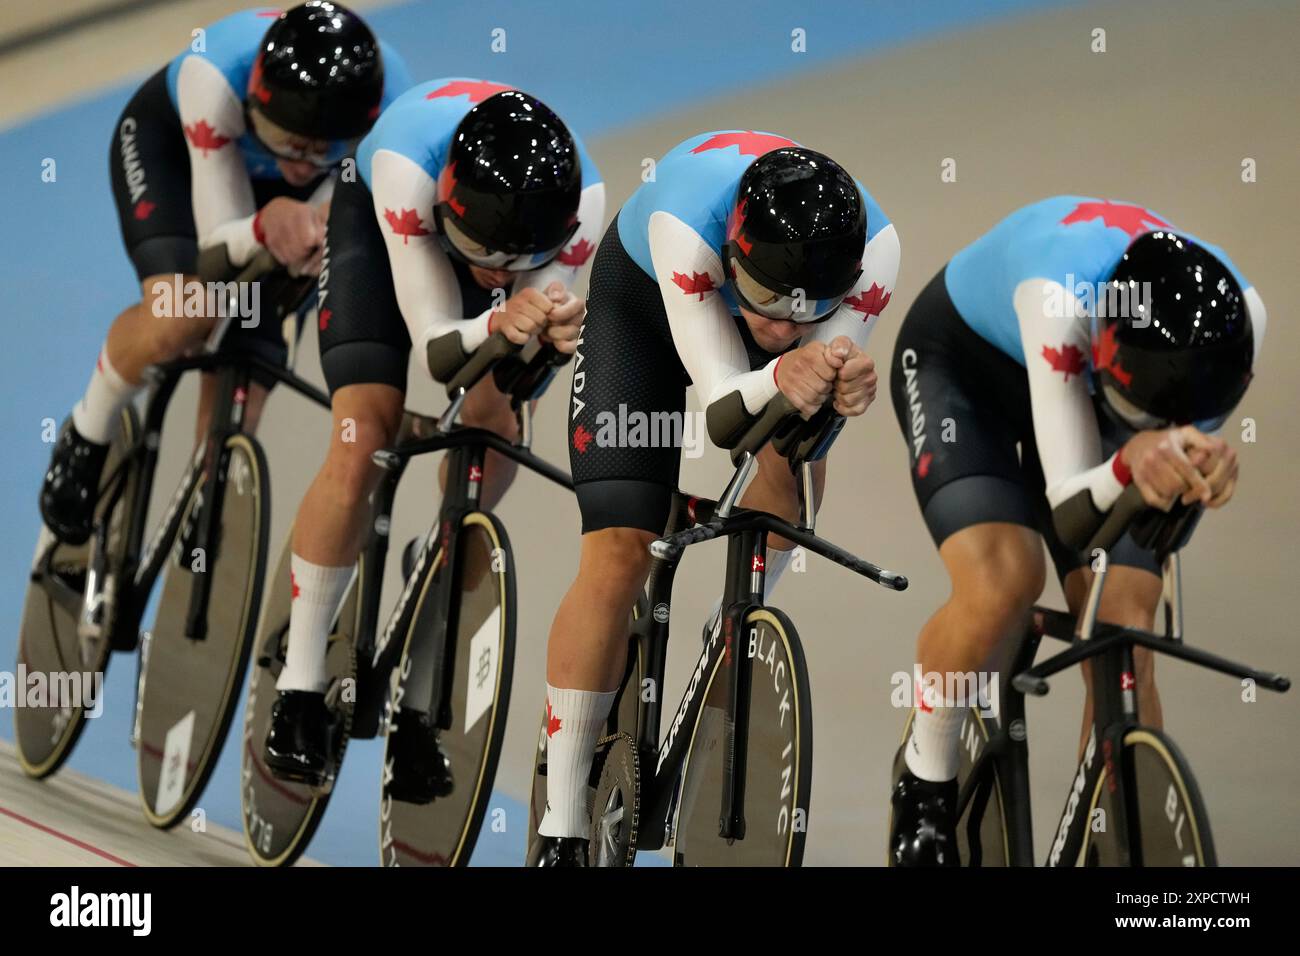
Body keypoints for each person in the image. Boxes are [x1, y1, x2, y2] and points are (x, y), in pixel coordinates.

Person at [531, 132, 901, 865]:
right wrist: (790, 366)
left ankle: (725, 633)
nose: (782, 326)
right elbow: (725, 410)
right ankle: (562, 826)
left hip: (752, 339)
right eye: (764, 299)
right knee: (618, 548)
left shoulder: (875, 252)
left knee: (793, 472)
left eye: (807, 310)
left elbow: (808, 376)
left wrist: (841, 379)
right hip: (641, 309)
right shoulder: (685, 228)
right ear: (734, 257)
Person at [887, 197, 1265, 865]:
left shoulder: (1233, 326)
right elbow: (1071, 512)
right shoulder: (1056, 300)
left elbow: (1157, 517)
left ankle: (1113, 839)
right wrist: (1129, 463)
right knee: (1003, 582)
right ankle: (925, 783)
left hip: (1116, 390)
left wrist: (1196, 481)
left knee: (1125, 624)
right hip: (968, 368)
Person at [262, 80, 605, 796]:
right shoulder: (405, 175)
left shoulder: (580, 206)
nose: (492, 269)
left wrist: (546, 336)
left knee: (494, 427)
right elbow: (433, 347)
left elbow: (514, 362)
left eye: (508, 259)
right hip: (385, 234)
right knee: (365, 434)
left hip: (503, 255)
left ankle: (423, 666)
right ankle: (297, 687)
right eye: (480, 250)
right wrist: (497, 317)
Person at [39, 2, 411, 545]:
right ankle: (86, 431)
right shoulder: (211, 76)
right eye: (288, 141)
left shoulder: (392, 111)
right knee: (185, 313)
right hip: (177, 152)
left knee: (256, 350)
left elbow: (350, 210)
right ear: (255, 100)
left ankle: (205, 486)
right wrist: (265, 226)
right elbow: (218, 252)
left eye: (323, 151)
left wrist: (313, 227)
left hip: (293, 200)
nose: (303, 163)